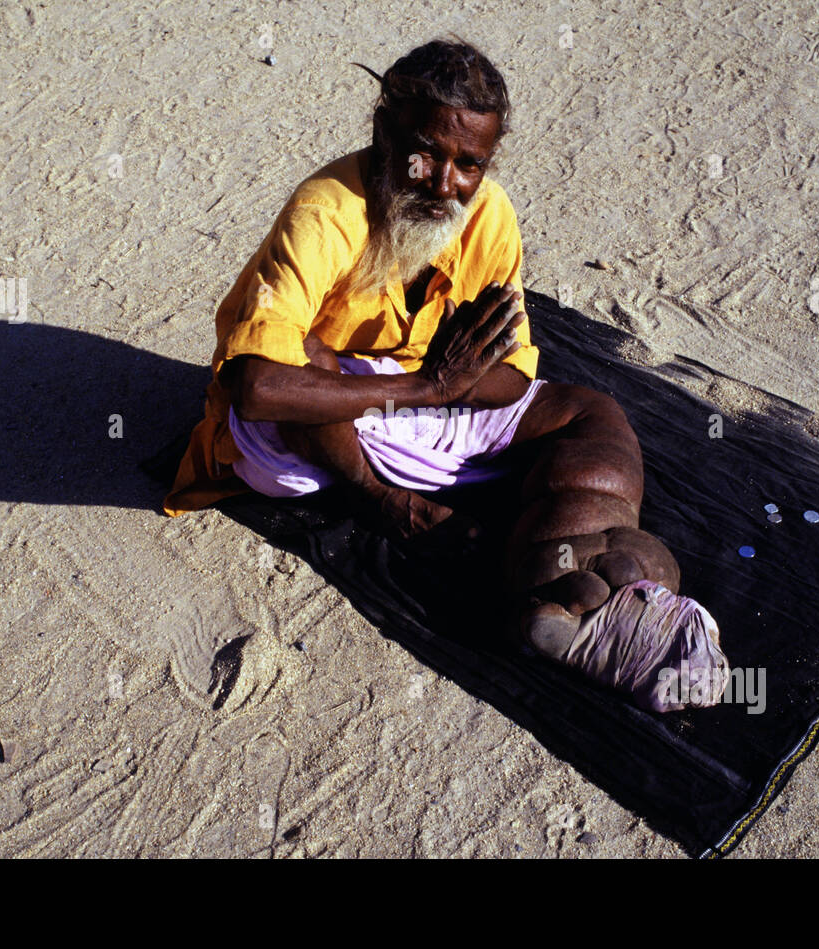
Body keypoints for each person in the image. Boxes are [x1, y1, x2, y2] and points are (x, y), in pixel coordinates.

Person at [165, 38, 728, 712]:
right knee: (305, 359)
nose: (444, 183)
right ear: (383, 132)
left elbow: (513, 379)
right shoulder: (325, 212)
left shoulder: (487, 213)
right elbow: (257, 389)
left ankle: (615, 584)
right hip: (313, 428)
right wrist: (421, 399)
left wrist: (451, 380)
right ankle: (418, 516)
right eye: (426, 152)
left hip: (424, 398)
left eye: (469, 164)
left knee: (592, 416)